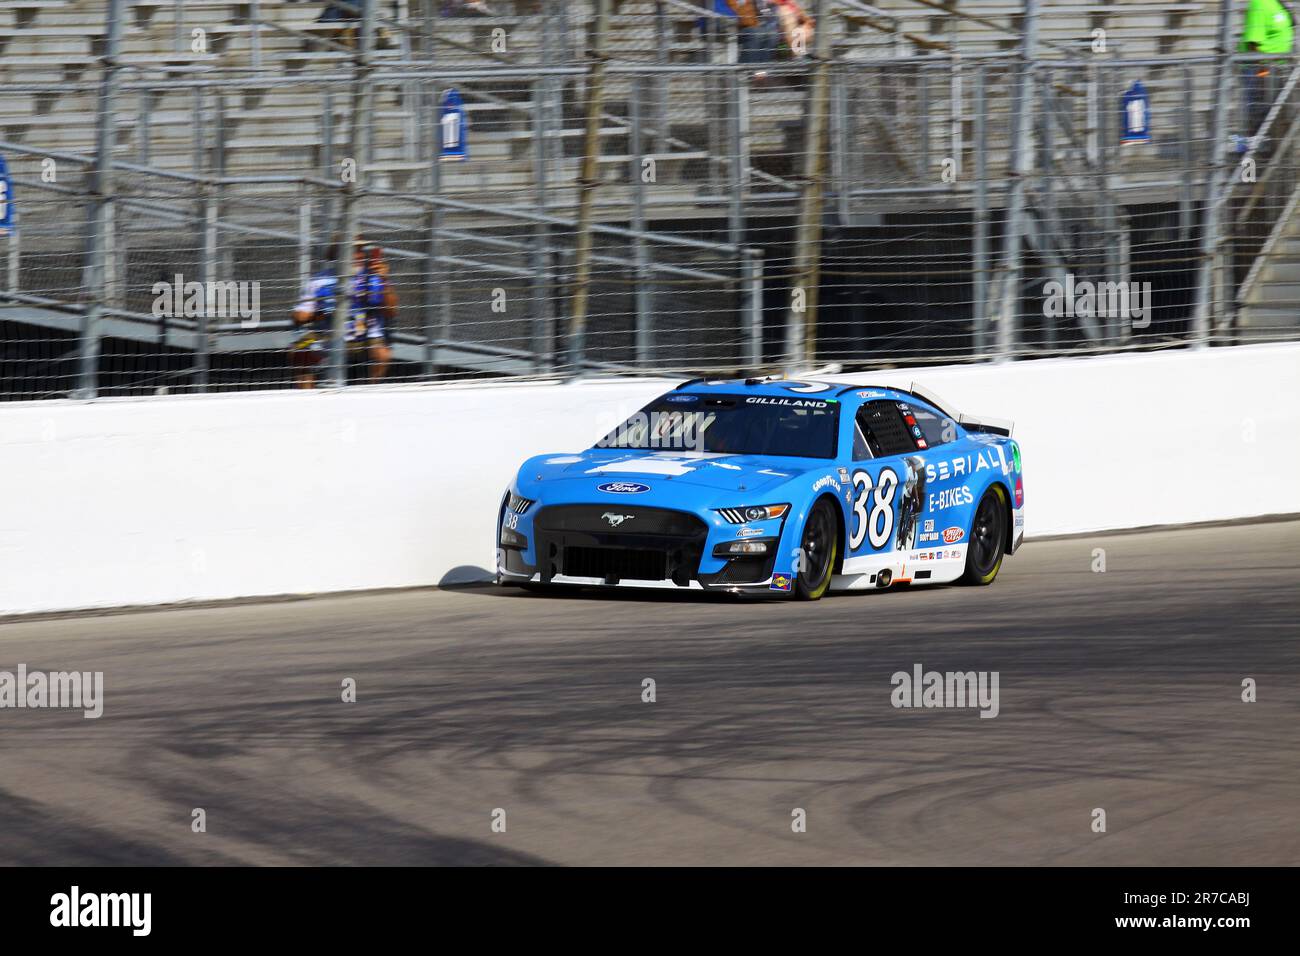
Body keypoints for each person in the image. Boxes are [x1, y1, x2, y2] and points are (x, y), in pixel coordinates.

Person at [290, 238, 396, 388]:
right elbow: (299, 316)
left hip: (366, 338)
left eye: (360, 251)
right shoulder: (319, 280)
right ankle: (308, 398)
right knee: (299, 349)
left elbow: (391, 311)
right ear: (338, 255)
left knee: (382, 354)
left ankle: (371, 392)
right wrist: (321, 310)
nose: (358, 255)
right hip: (326, 337)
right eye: (353, 251)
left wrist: (384, 280)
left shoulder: (374, 277)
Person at [1240, 0, 1295, 135]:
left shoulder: (1279, 4)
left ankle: (1271, 148)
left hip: (1277, 67)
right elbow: (1253, 43)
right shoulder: (1259, 3)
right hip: (1260, 68)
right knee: (1260, 113)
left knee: (1275, 112)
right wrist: (1263, 72)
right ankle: (1254, 151)